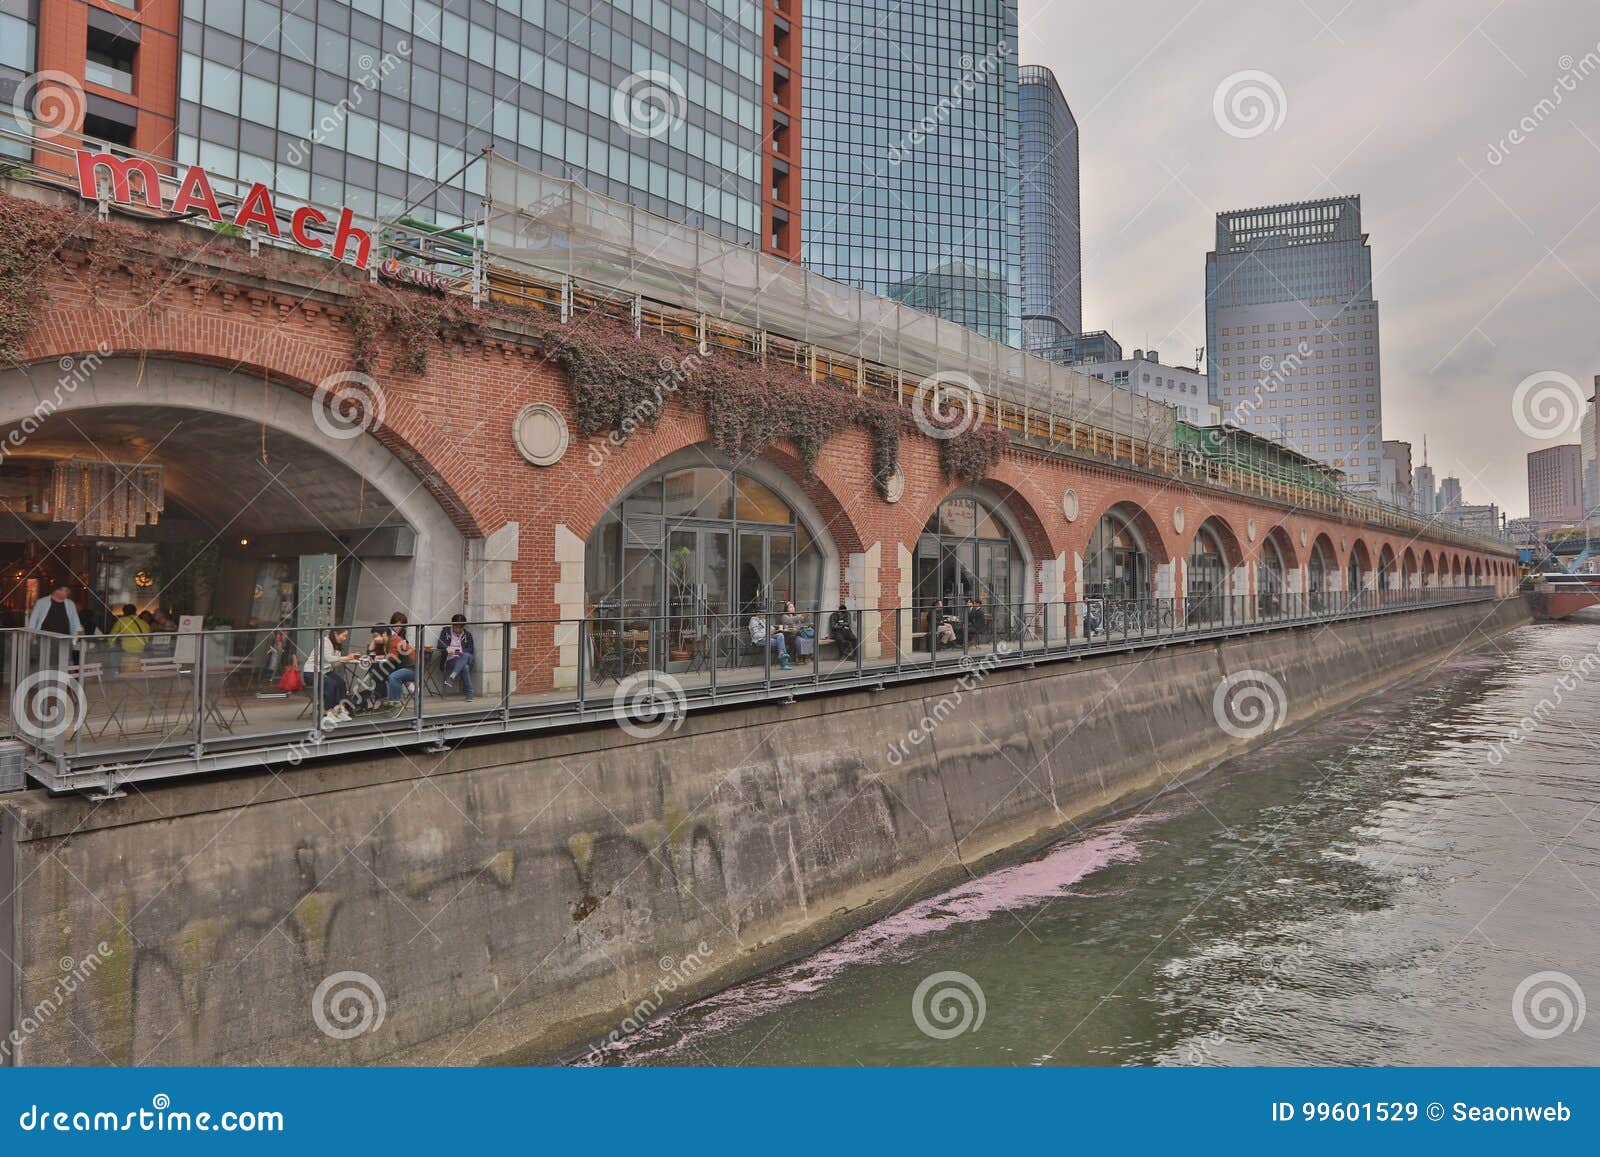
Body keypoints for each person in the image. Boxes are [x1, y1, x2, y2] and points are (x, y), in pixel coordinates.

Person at [303, 627, 358, 727]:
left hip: (325, 671)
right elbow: (328, 658)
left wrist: (346, 660)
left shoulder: (337, 646)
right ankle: (328, 711)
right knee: (330, 684)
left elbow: (334, 664)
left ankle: (339, 710)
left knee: (341, 683)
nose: (344, 638)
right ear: (336, 633)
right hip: (311, 672)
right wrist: (345, 657)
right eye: (344, 635)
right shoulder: (324, 641)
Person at [436, 614, 476, 701]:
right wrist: (446, 647)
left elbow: (471, 649)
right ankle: (470, 693)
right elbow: (439, 644)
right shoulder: (445, 632)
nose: (458, 630)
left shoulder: (467, 634)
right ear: (452, 625)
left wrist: (462, 652)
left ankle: (452, 677)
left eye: (460, 628)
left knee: (465, 655)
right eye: (456, 627)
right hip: (451, 660)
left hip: (465, 658)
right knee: (465, 667)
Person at [382, 612, 417, 702]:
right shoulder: (388, 634)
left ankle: (395, 702)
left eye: (402, 625)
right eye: (397, 624)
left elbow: (395, 655)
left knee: (393, 676)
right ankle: (387, 700)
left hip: (409, 667)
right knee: (381, 673)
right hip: (398, 665)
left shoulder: (399, 636)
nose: (399, 627)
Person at [747, 604, 791, 670]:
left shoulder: (764, 620)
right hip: (759, 640)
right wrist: (768, 632)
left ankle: (781, 654)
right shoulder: (753, 621)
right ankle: (784, 663)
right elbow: (755, 635)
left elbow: (770, 628)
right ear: (758, 613)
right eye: (763, 613)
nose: (765, 615)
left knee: (780, 635)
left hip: (768, 637)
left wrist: (773, 629)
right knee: (780, 642)